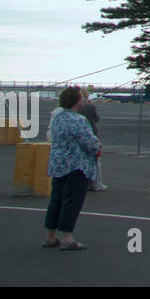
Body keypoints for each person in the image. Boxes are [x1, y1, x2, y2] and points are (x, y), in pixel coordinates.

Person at [43, 86, 99, 250]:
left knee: (56, 200)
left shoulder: (58, 118)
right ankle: (67, 239)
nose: (83, 99)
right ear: (76, 100)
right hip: (76, 165)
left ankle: (50, 236)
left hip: (58, 163)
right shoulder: (79, 120)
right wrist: (97, 145)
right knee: (72, 201)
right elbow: (89, 143)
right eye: (81, 97)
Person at [76, 89, 107, 192]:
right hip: (92, 134)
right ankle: (96, 183)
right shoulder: (90, 107)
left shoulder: (77, 109)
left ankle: (86, 183)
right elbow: (96, 119)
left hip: (80, 137)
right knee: (96, 161)